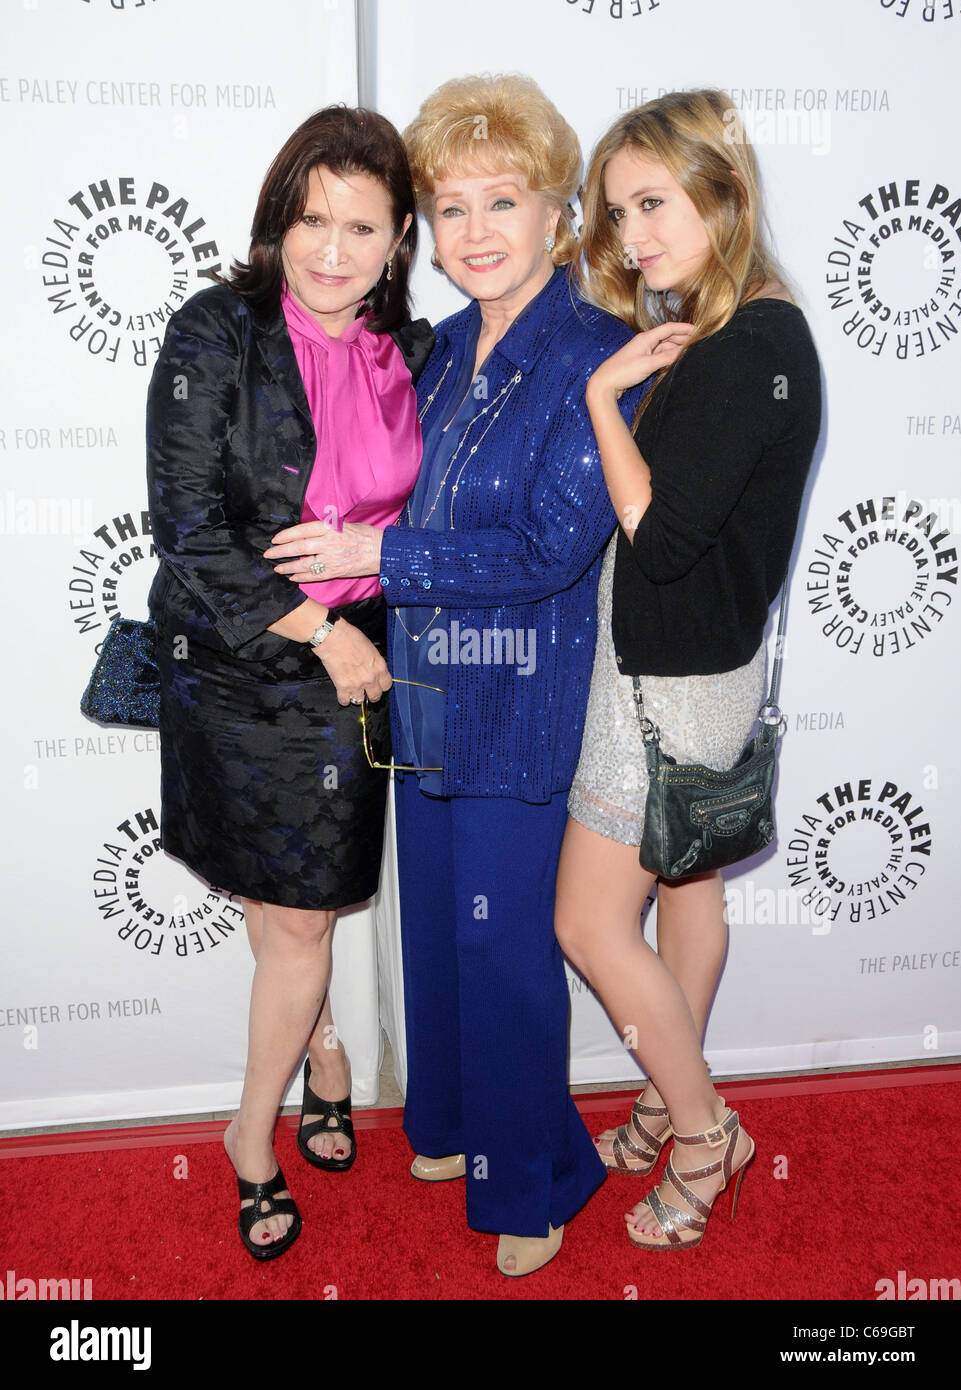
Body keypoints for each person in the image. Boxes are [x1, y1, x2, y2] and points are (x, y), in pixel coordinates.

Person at [264, 74, 642, 1276]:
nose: (477, 231)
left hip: (520, 703)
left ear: (555, 214)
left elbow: (546, 552)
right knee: (433, 929)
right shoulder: (432, 350)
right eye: (454, 206)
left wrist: (381, 553)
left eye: (505, 201)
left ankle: (532, 1178)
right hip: (416, 698)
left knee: (503, 950)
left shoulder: (596, 352)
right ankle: (451, 1129)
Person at [146, 106, 432, 1259]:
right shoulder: (216, 330)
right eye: (312, 218)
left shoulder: (408, 350)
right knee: (286, 916)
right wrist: (324, 630)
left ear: (397, 234)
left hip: (350, 675)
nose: (331, 249)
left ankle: (313, 1050)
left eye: (360, 226)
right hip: (241, 666)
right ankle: (252, 1133)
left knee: (299, 915)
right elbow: (187, 529)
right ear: (279, 218)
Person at [555, 89, 822, 1249]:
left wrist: (602, 397)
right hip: (698, 663)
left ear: (724, 189)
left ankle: (708, 1135)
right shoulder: (739, 330)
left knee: (586, 924)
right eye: (616, 213)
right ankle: (669, 1096)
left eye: (654, 201)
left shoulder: (742, 349)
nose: (632, 236)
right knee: (688, 888)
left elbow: (658, 540)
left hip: (667, 676)